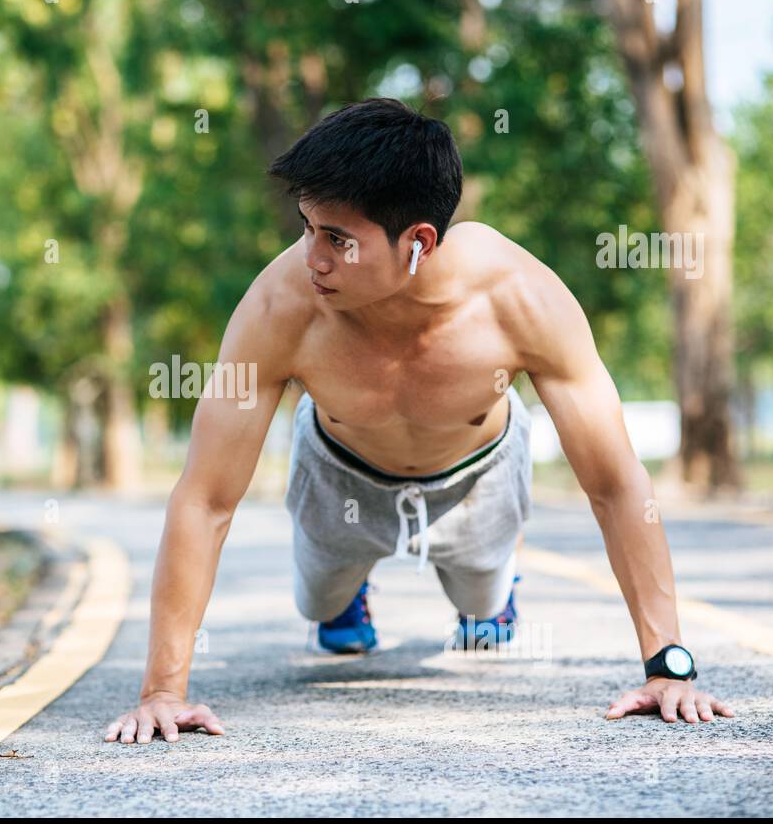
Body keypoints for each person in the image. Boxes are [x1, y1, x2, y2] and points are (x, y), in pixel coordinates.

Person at [104, 97, 734, 745]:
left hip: (477, 475)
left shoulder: (519, 299)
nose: (311, 257)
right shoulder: (279, 305)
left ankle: (495, 588)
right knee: (318, 605)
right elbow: (205, 497)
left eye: (338, 240)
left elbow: (616, 483)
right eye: (306, 227)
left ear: (419, 242)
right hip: (337, 470)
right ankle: (345, 595)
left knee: (482, 611)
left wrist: (668, 666)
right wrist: (162, 690)